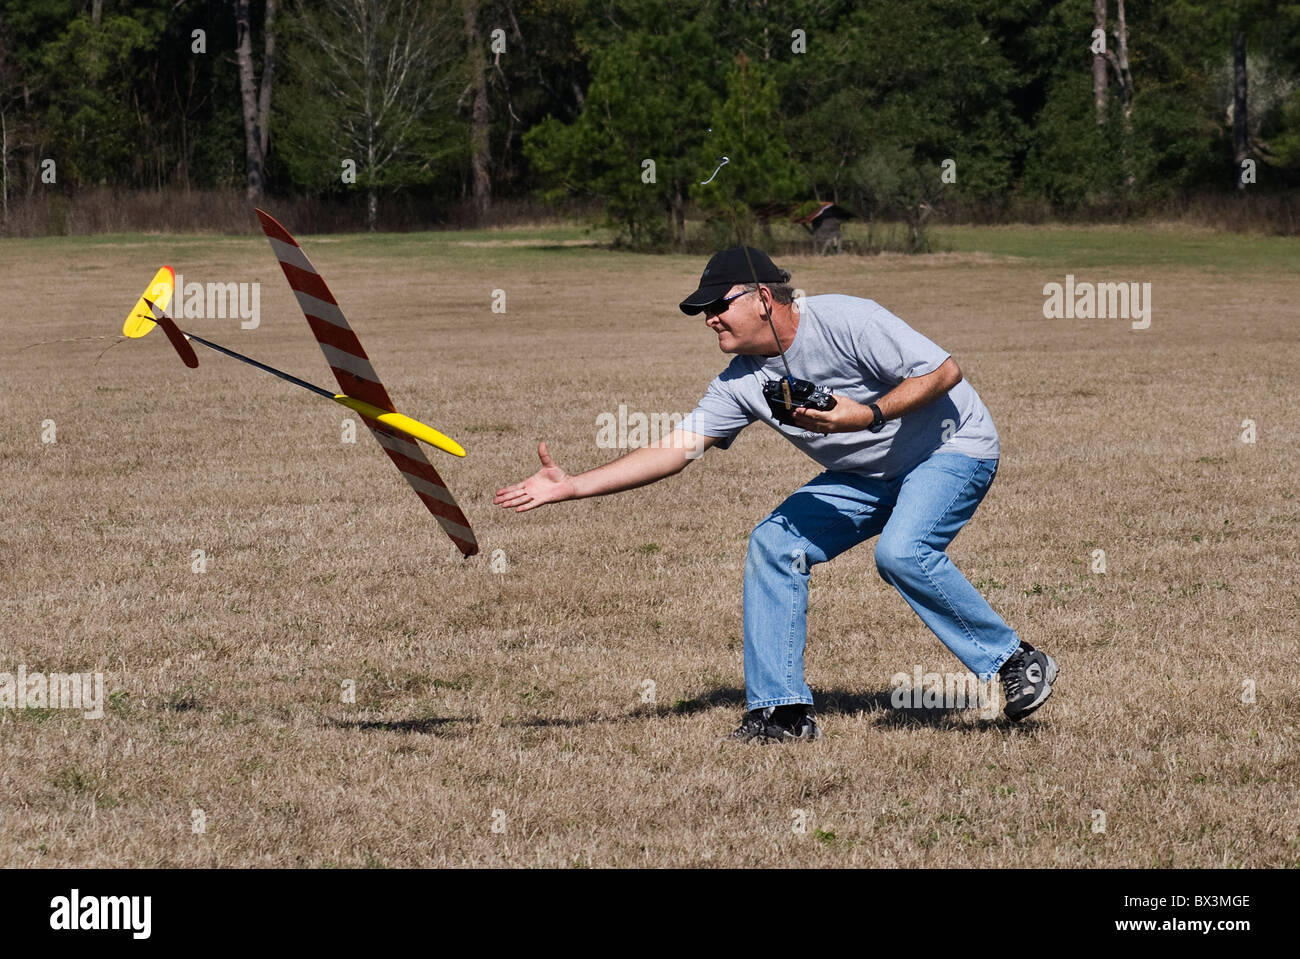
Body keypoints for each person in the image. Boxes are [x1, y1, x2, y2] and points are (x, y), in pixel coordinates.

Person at [494, 246, 1058, 743]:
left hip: (949, 449)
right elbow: (675, 449)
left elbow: (944, 371)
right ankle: (782, 712)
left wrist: (867, 414)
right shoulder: (740, 381)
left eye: (718, 304)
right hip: (865, 477)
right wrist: (573, 486)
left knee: (902, 552)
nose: (709, 317)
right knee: (772, 543)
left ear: (763, 298)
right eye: (702, 310)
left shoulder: (847, 319)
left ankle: (1013, 660)